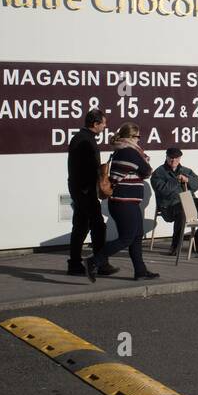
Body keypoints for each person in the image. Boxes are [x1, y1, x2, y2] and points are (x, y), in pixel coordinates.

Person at [100, 122, 157, 280]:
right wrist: (143, 163)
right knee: (127, 238)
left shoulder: (122, 151)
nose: (139, 140)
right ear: (131, 137)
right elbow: (147, 171)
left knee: (136, 236)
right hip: (123, 202)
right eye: (138, 137)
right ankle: (94, 260)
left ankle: (140, 271)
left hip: (129, 202)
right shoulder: (129, 152)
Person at [67, 109, 118, 279]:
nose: (105, 126)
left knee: (80, 227)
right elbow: (88, 169)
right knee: (98, 225)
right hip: (85, 190)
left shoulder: (80, 139)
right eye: (103, 123)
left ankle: (74, 264)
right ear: (95, 124)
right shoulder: (85, 142)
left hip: (79, 190)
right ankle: (99, 262)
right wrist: (101, 178)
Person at [151, 148, 198, 257]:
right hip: (169, 206)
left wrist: (188, 179)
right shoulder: (158, 173)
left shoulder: (186, 170)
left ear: (180, 158)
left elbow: (196, 185)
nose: (173, 160)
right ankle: (175, 247)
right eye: (171, 158)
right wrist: (176, 179)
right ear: (166, 157)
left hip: (188, 201)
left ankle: (197, 240)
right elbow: (163, 191)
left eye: (176, 158)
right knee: (182, 213)